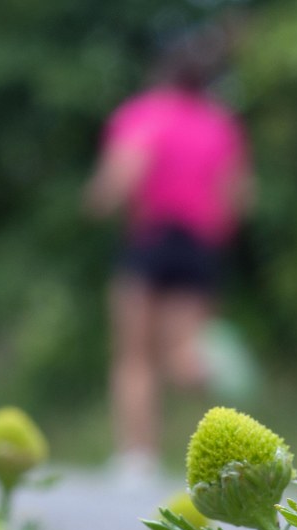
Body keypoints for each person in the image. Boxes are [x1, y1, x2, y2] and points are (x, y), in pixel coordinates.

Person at [84, 27, 252, 474]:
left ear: (162, 72)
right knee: (182, 354)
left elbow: (122, 175)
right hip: (199, 246)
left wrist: (97, 202)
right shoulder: (221, 124)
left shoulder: (144, 115)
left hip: (152, 240)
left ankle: (137, 458)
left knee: (133, 355)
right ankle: (222, 430)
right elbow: (239, 197)